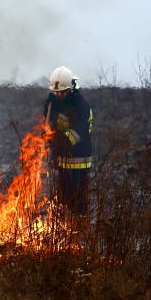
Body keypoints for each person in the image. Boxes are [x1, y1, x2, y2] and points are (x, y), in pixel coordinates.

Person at [44, 66, 93, 215]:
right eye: (56, 92)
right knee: (63, 198)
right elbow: (48, 124)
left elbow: (79, 133)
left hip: (79, 157)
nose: (59, 95)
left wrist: (59, 138)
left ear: (70, 89)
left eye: (62, 92)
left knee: (77, 197)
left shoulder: (80, 105)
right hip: (62, 157)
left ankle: (80, 226)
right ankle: (65, 227)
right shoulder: (54, 103)